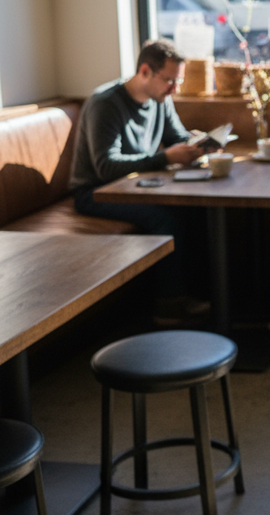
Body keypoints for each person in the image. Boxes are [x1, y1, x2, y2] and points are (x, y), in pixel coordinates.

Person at [71, 38, 207, 324]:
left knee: (196, 210)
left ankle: (197, 294)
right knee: (165, 218)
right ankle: (169, 307)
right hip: (95, 192)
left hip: (135, 186)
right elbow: (105, 167)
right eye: (170, 80)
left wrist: (200, 143)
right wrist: (166, 158)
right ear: (145, 71)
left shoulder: (160, 100)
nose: (175, 89)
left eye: (178, 81)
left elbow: (176, 137)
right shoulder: (105, 103)